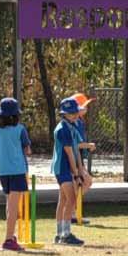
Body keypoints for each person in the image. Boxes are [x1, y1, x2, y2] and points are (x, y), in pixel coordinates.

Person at [0, 97, 32, 251]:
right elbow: (27, 149)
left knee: (9, 204)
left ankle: (10, 235)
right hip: (17, 170)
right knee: (14, 207)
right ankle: (8, 239)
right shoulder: (20, 129)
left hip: (2, 170)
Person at [51, 97, 93, 246]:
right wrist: (76, 174)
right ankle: (66, 234)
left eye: (75, 112)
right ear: (64, 114)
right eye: (71, 113)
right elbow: (69, 154)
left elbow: (76, 151)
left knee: (63, 200)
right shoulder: (63, 129)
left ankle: (59, 234)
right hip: (63, 168)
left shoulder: (73, 126)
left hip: (69, 167)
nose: (75, 115)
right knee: (72, 199)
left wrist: (81, 170)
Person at [72, 93, 97, 225]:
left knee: (85, 183)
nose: (86, 109)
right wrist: (89, 145)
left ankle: (73, 211)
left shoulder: (80, 122)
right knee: (85, 181)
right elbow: (75, 143)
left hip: (79, 156)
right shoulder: (74, 122)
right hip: (74, 157)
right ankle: (72, 212)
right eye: (84, 106)